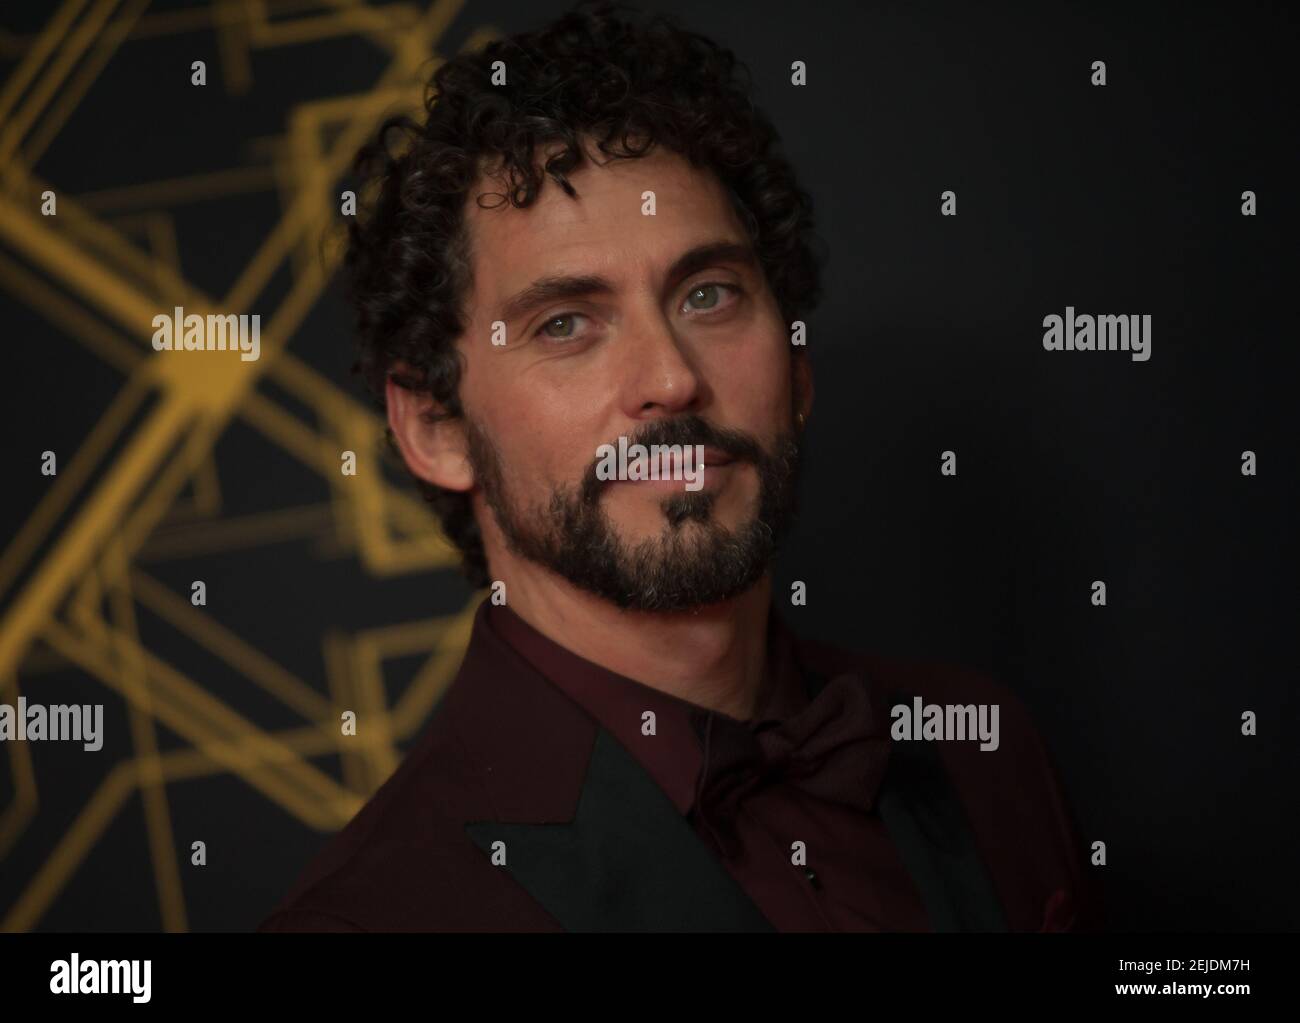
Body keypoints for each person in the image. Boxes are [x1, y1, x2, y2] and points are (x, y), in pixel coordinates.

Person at [258, 0, 1099, 932]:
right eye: (565, 323)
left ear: (798, 366)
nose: (670, 378)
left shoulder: (983, 745)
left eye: (708, 294)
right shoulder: (374, 917)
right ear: (437, 428)